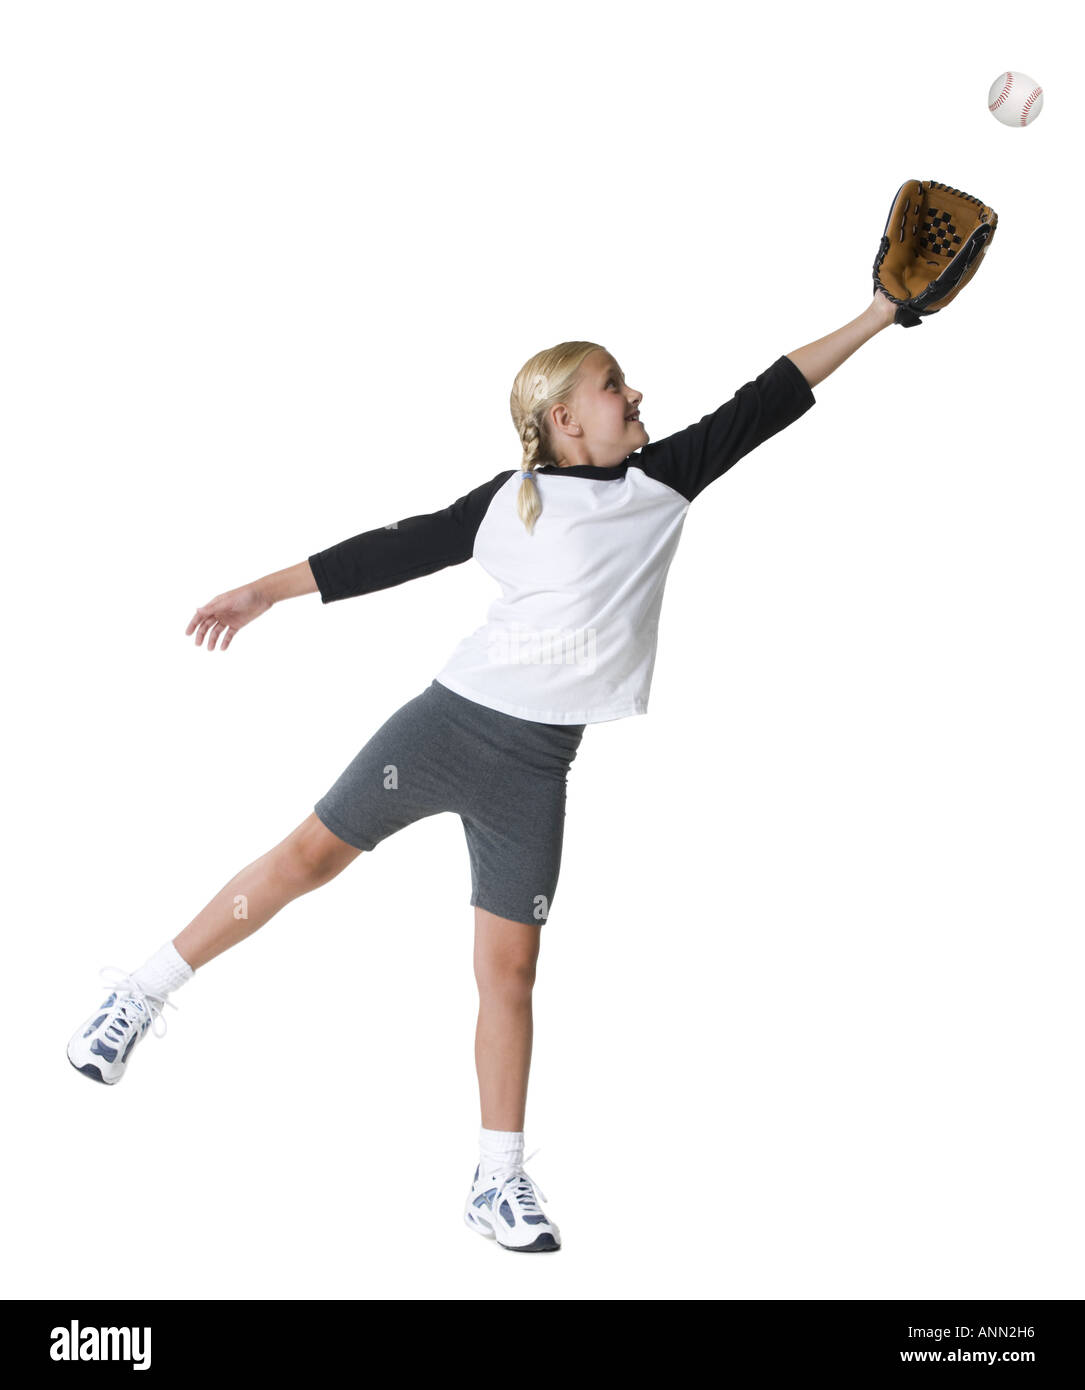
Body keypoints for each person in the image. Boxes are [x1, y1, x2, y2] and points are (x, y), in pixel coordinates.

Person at [66, 289, 900, 1252]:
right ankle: (138, 993)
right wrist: (265, 590)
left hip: (537, 770)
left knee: (509, 971)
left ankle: (494, 1182)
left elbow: (775, 390)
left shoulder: (664, 480)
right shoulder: (507, 502)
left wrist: (880, 311)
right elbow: (394, 547)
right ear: (562, 419)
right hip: (445, 731)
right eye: (611, 384)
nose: (635, 394)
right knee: (303, 862)